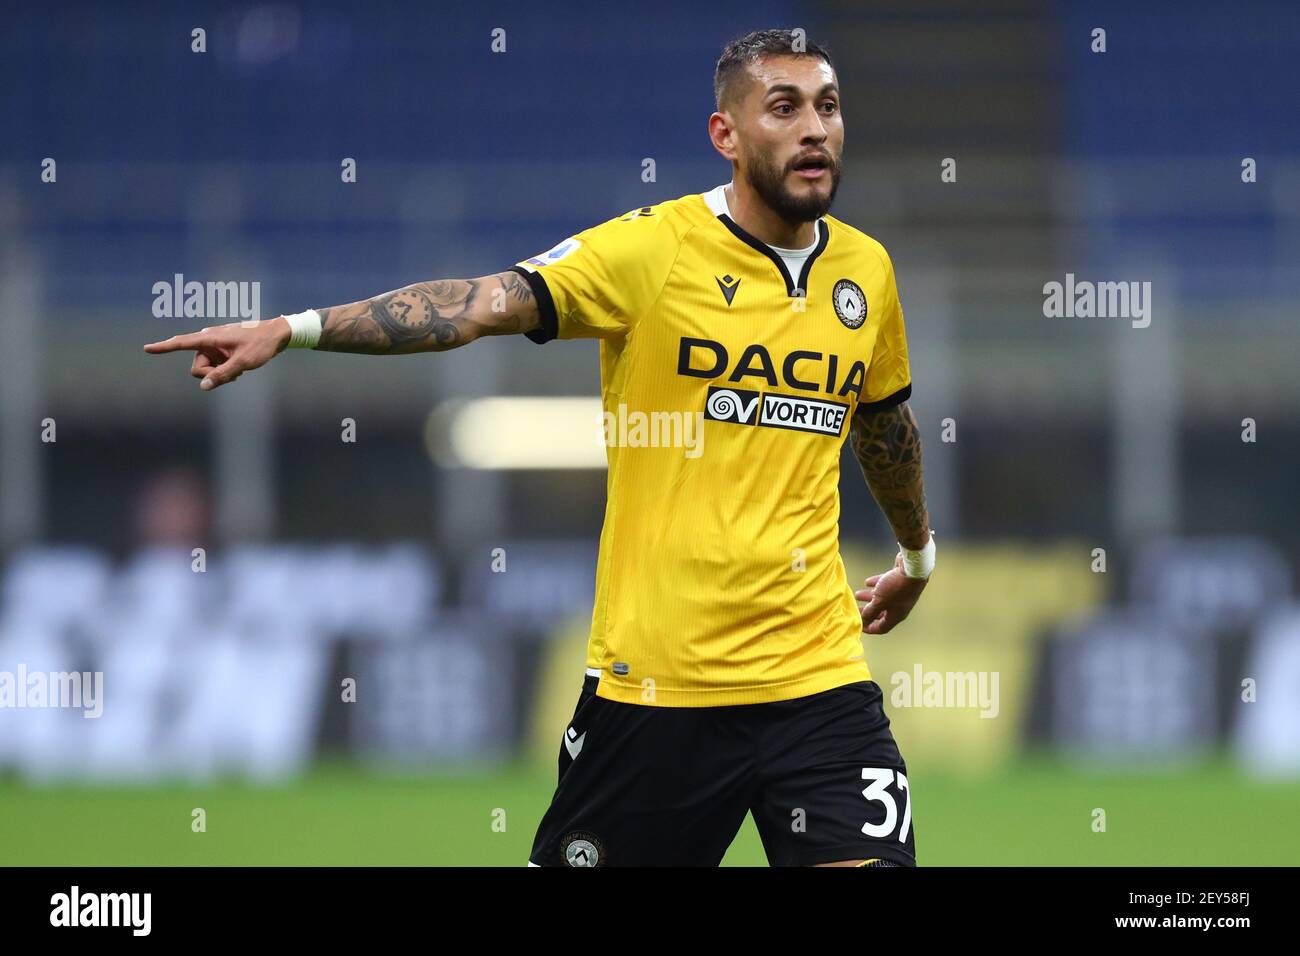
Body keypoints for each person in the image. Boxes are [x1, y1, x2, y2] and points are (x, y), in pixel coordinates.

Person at [145, 28, 934, 867]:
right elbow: (480, 304)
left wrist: (916, 557)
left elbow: (883, 426)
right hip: (658, 692)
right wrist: (294, 329)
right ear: (726, 136)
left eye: (828, 106)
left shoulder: (866, 272)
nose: (815, 128)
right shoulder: (652, 250)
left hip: (820, 684)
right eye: (785, 107)